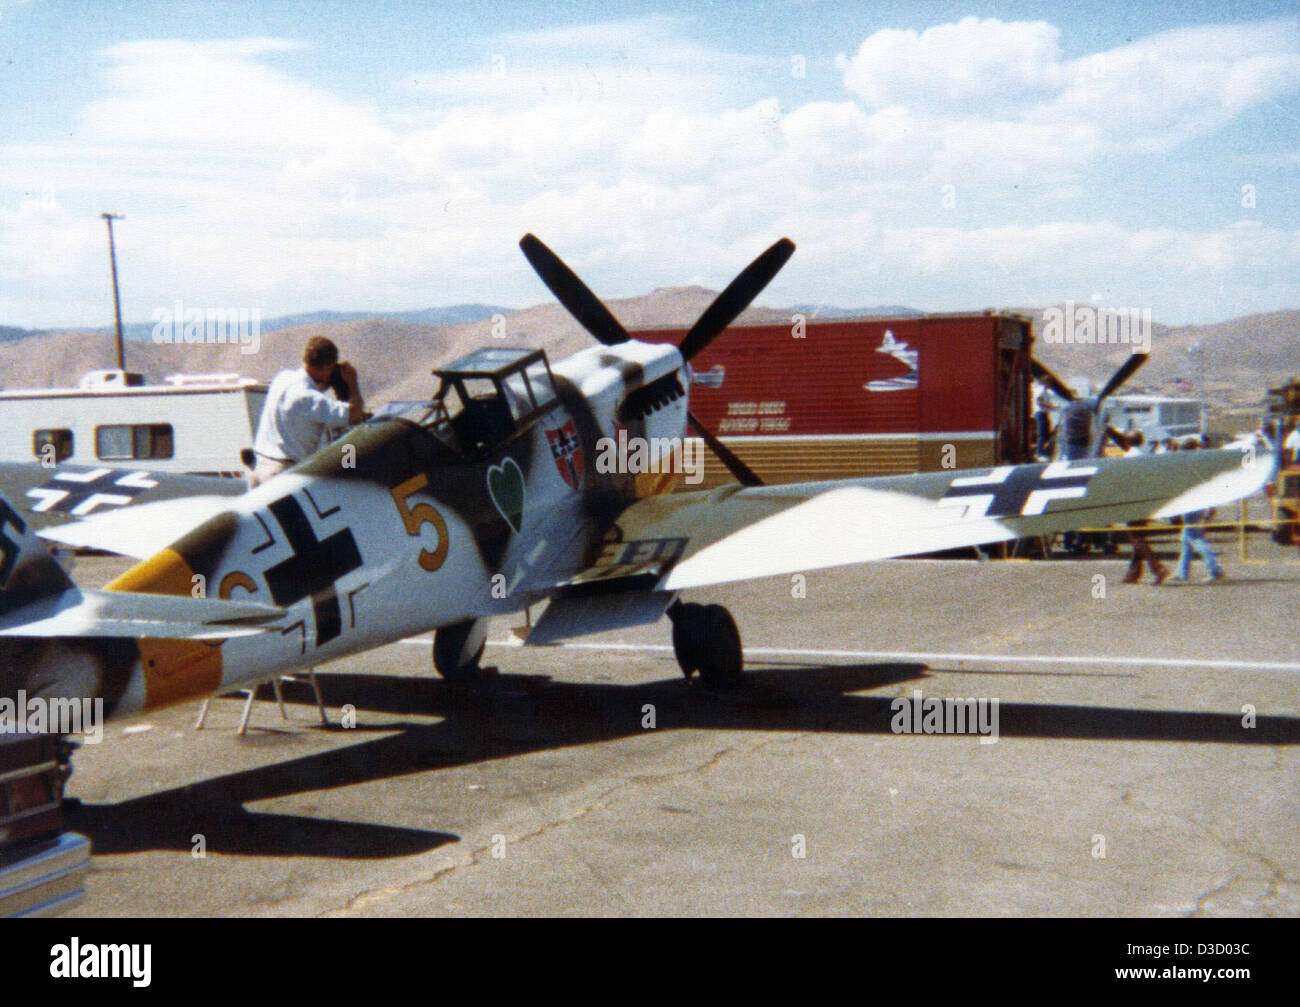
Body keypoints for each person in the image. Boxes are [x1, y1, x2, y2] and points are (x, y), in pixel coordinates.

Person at [248, 336, 365, 488]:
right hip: (281, 473)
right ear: (328, 366)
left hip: (259, 467)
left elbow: (309, 397)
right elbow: (355, 416)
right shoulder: (309, 398)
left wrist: (326, 380)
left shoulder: (283, 378)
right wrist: (352, 381)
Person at [1170, 441, 1225, 583]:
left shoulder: (1187, 467)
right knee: (1186, 539)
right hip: (1200, 503)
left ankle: (1215, 569)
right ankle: (1182, 572)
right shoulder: (1201, 464)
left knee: (1196, 538)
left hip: (1191, 504)